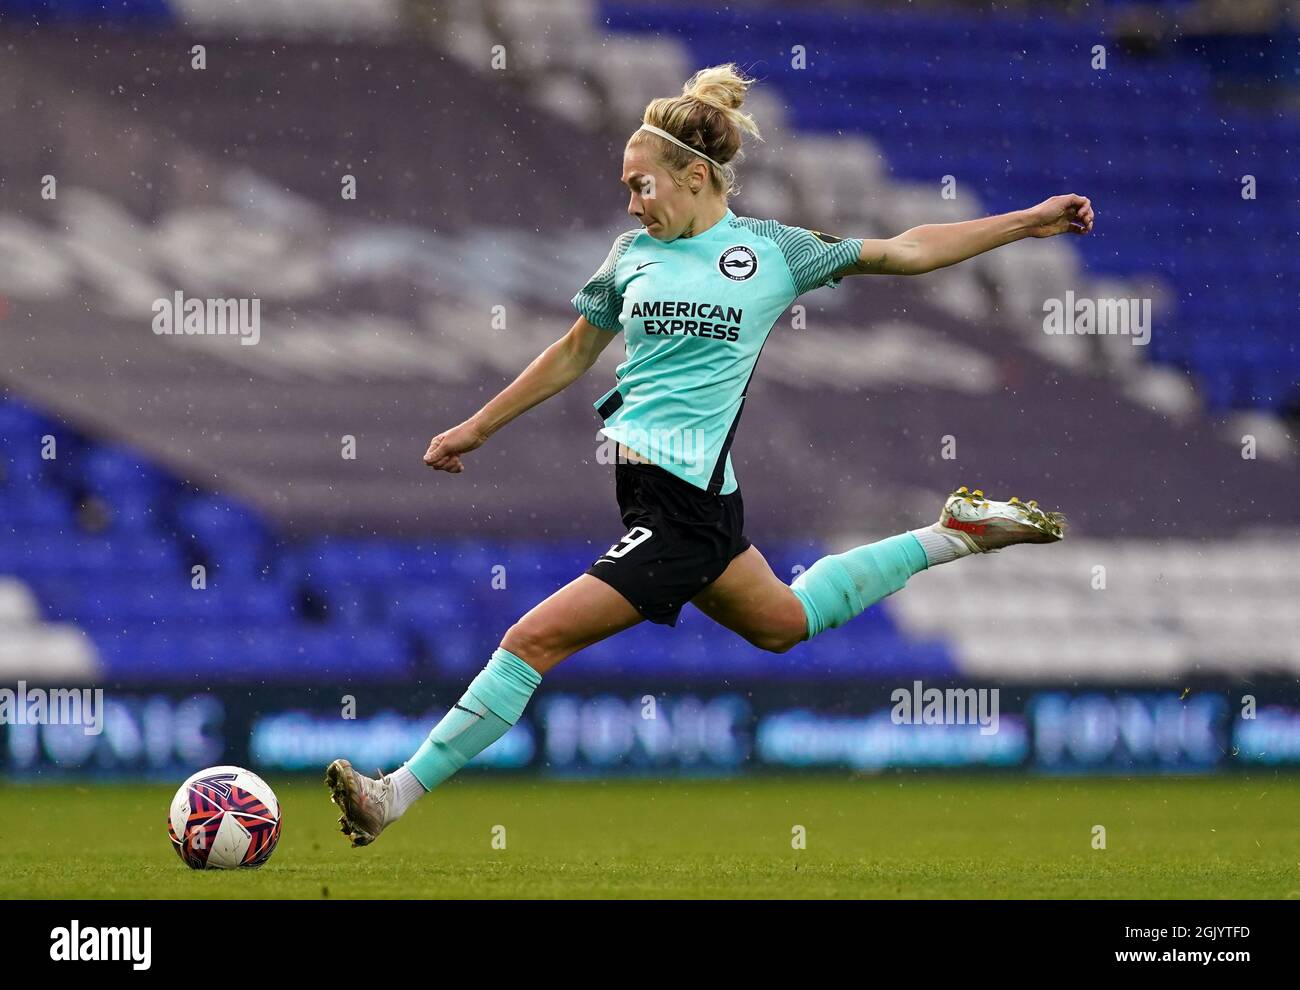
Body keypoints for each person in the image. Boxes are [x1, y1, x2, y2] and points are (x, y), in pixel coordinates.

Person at [326, 63, 1089, 846]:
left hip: (683, 506)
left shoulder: (773, 251)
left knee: (532, 641)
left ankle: (393, 795)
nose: (630, 202)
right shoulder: (629, 255)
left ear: (695, 177)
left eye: (641, 185)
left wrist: (1027, 222)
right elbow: (571, 351)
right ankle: (954, 534)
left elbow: (906, 251)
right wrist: (477, 427)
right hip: (678, 499)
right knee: (784, 623)